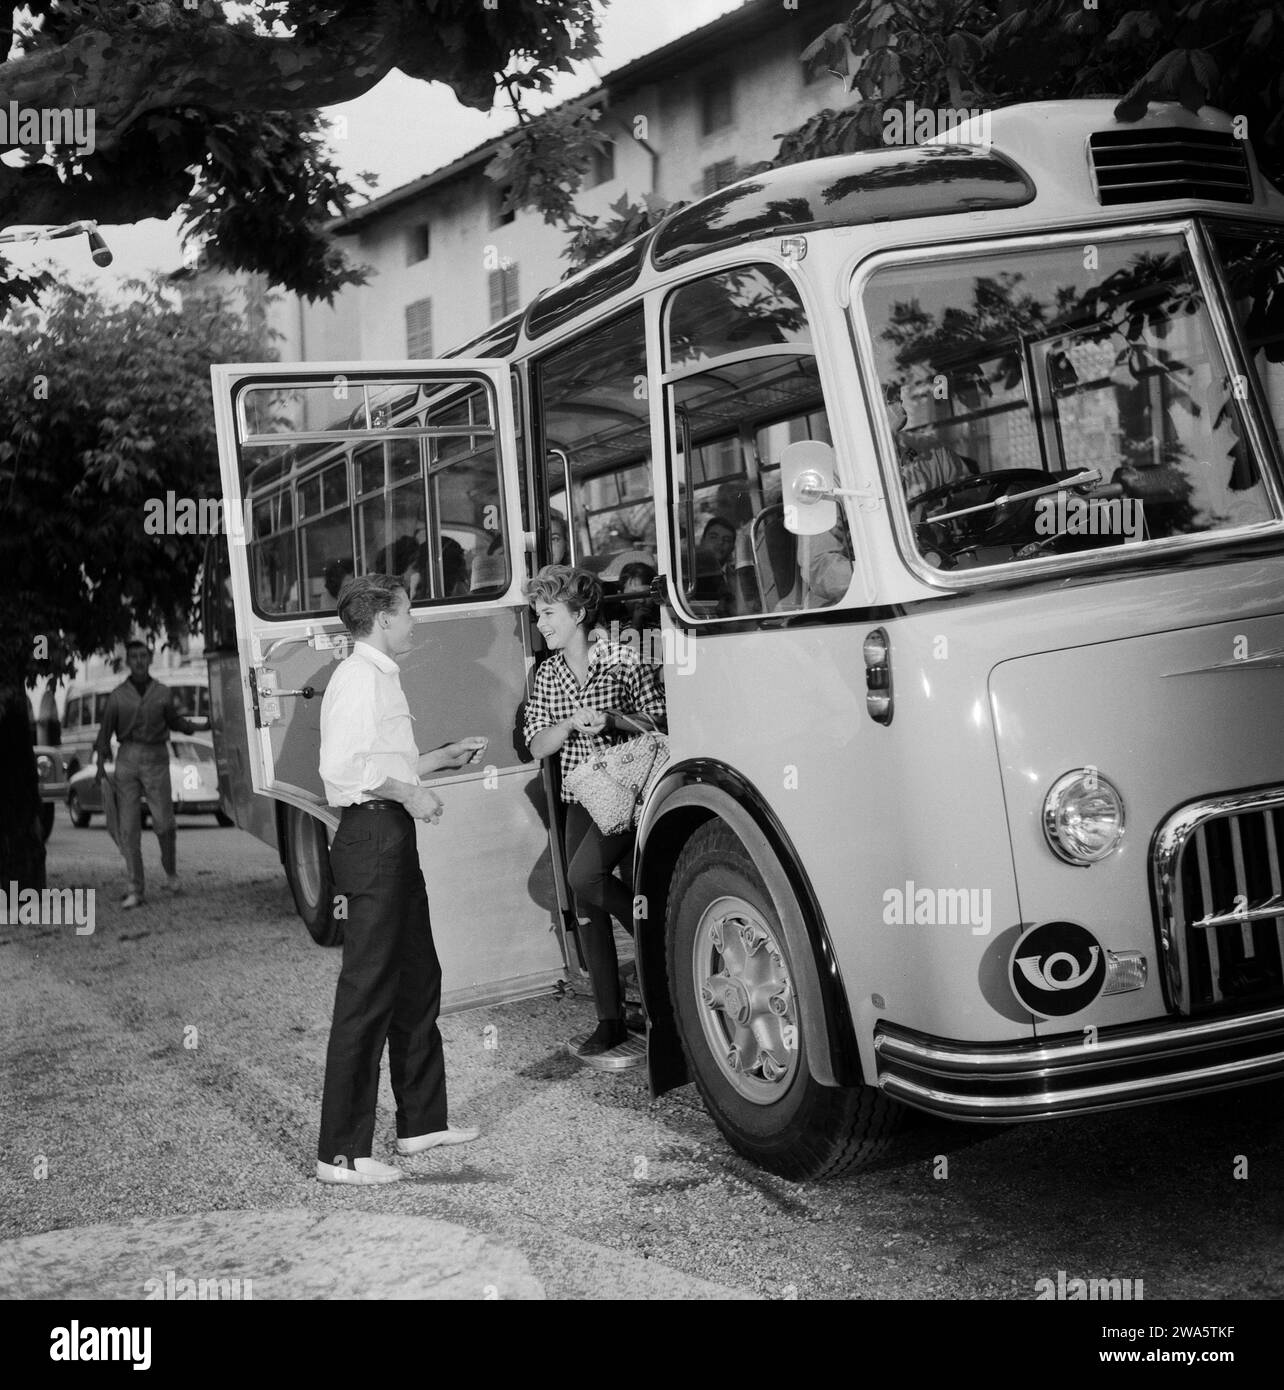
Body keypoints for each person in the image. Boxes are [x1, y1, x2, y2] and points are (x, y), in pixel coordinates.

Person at [315, 572, 485, 1185]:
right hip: (374, 837)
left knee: (416, 981)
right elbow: (343, 769)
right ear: (384, 619)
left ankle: (420, 1124)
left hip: (388, 836)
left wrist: (436, 759)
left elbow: (378, 756)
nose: (415, 622)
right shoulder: (360, 677)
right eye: (409, 612)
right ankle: (341, 1154)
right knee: (367, 995)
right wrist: (413, 795)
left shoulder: (376, 675)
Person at [523, 565, 666, 1058]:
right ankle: (610, 1020)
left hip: (624, 793)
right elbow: (538, 744)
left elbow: (659, 719)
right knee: (587, 909)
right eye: (537, 614)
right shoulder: (546, 674)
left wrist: (610, 719)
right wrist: (567, 724)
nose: (540, 623)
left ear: (579, 614)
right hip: (577, 797)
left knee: (586, 877)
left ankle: (658, 936)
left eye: (548, 613)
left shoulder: (624, 658)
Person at [95, 641, 197, 909]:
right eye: (134, 657)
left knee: (164, 822)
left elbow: (176, 722)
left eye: (143, 656)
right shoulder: (117, 696)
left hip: (156, 758)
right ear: (127, 660)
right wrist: (99, 765)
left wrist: (197, 726)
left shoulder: (162, 692)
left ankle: (170, 870)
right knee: (128, 828)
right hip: (127, 758)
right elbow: (105, 732)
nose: (139, 661)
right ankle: (135, 887)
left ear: (150, 658)